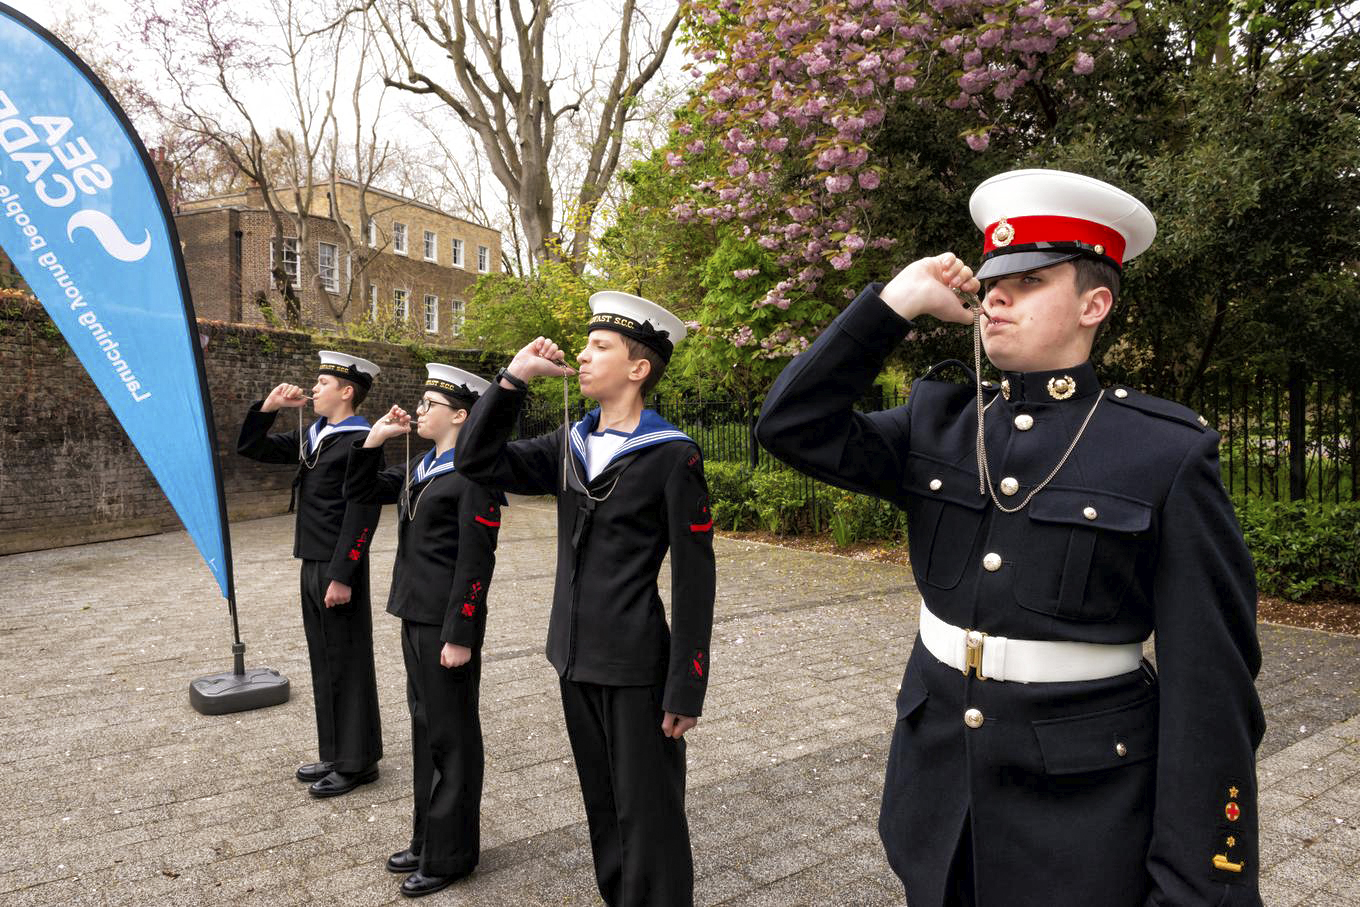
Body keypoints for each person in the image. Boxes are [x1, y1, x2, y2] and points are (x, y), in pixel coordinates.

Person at [756, 169, 1264, 906]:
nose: (996, 296)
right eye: (993, 281)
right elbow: (789, 424)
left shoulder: (1163, 452)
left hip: (1080, 817)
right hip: (936, 796)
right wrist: (894, 303)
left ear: (1094, 304)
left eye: (1028, 281)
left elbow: (1211, 689)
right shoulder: (939, 424)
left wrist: (1198, 886)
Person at [455, 292, 716, 907]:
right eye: (586, 345)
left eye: (600, 347)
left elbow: (695, 578)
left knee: (649, 814)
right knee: (603, 807)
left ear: (638, 368)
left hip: (636, 665)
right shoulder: (568, 444)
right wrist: (513, 379)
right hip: (572, 658)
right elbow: (474, 459)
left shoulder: (672, 454)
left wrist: (686, 686)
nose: (583, 355)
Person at [343, 363, 502, 899]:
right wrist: (374, 440)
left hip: (445, 624)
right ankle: (427, 839)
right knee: (425, 730)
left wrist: (461, 633)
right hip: (415, 614)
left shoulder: (473, 475)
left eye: (429, 404)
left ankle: (452, 854)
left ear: (460, 416)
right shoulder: (422, 465)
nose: (418, 410)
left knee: (451, 737)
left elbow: (477, 561)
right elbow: (360, 490)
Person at [237, 350, 384, 798]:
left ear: (346, 391)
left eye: (322, 383)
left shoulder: (362, 440)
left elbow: (362, 511)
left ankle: (358, 763)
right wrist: (269, 408)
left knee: (348, 662)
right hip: (312, 560)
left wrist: (343, 574)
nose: (313, 388)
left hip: (339, 566)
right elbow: (253, 447)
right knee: (325, 659)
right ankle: (337, 752)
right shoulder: (315, 435)